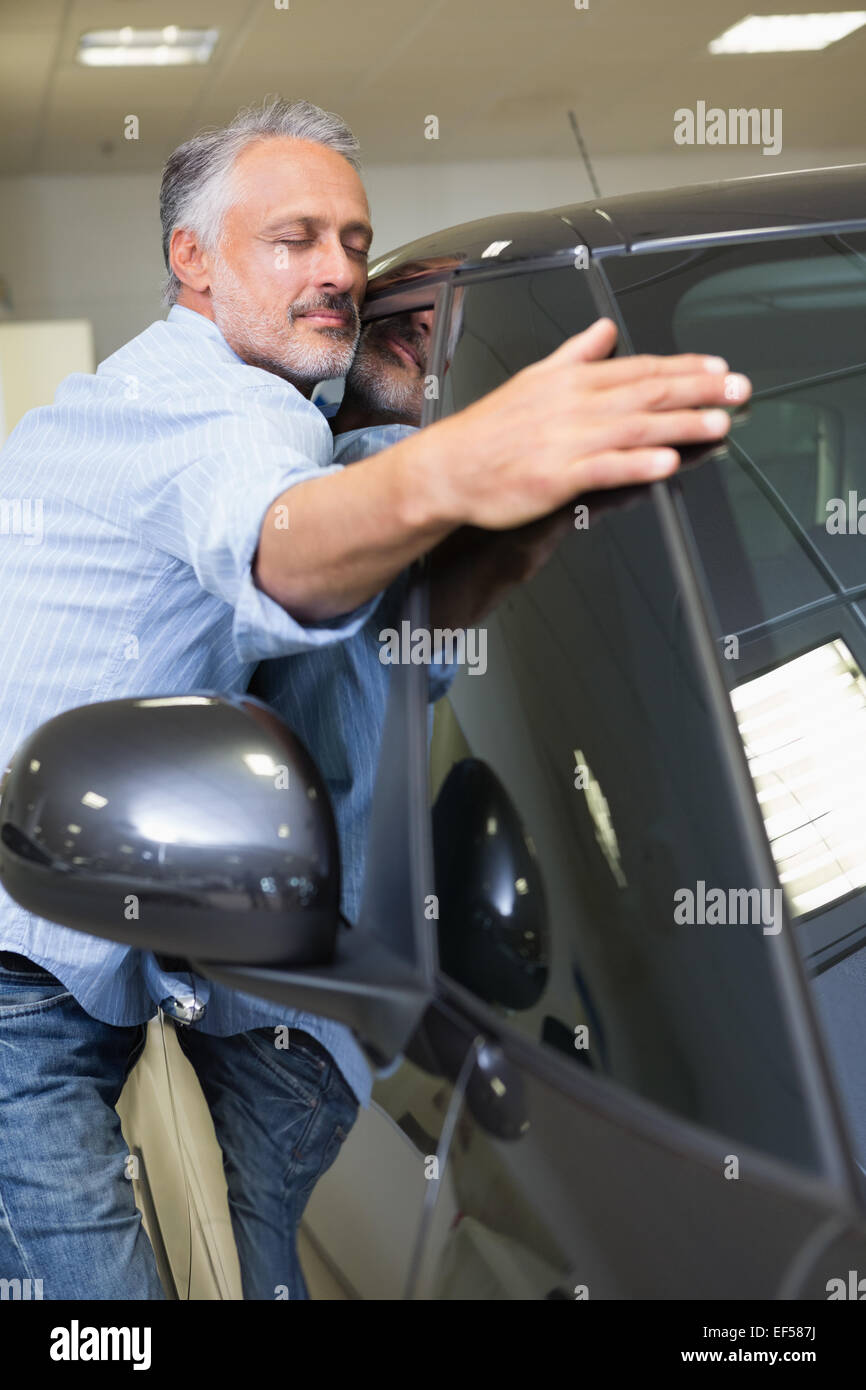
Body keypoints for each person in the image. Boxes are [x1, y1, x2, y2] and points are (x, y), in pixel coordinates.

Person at [0, 96, 751, 1301]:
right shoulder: (223, 413)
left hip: (147, 958)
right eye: (292, 238)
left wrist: (489, 514)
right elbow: (283, 544)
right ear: (191, 260)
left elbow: (377, 611)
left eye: (353, 242)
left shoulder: (248, 421)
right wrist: (467, 453)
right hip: (25, 969)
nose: (338, 273)